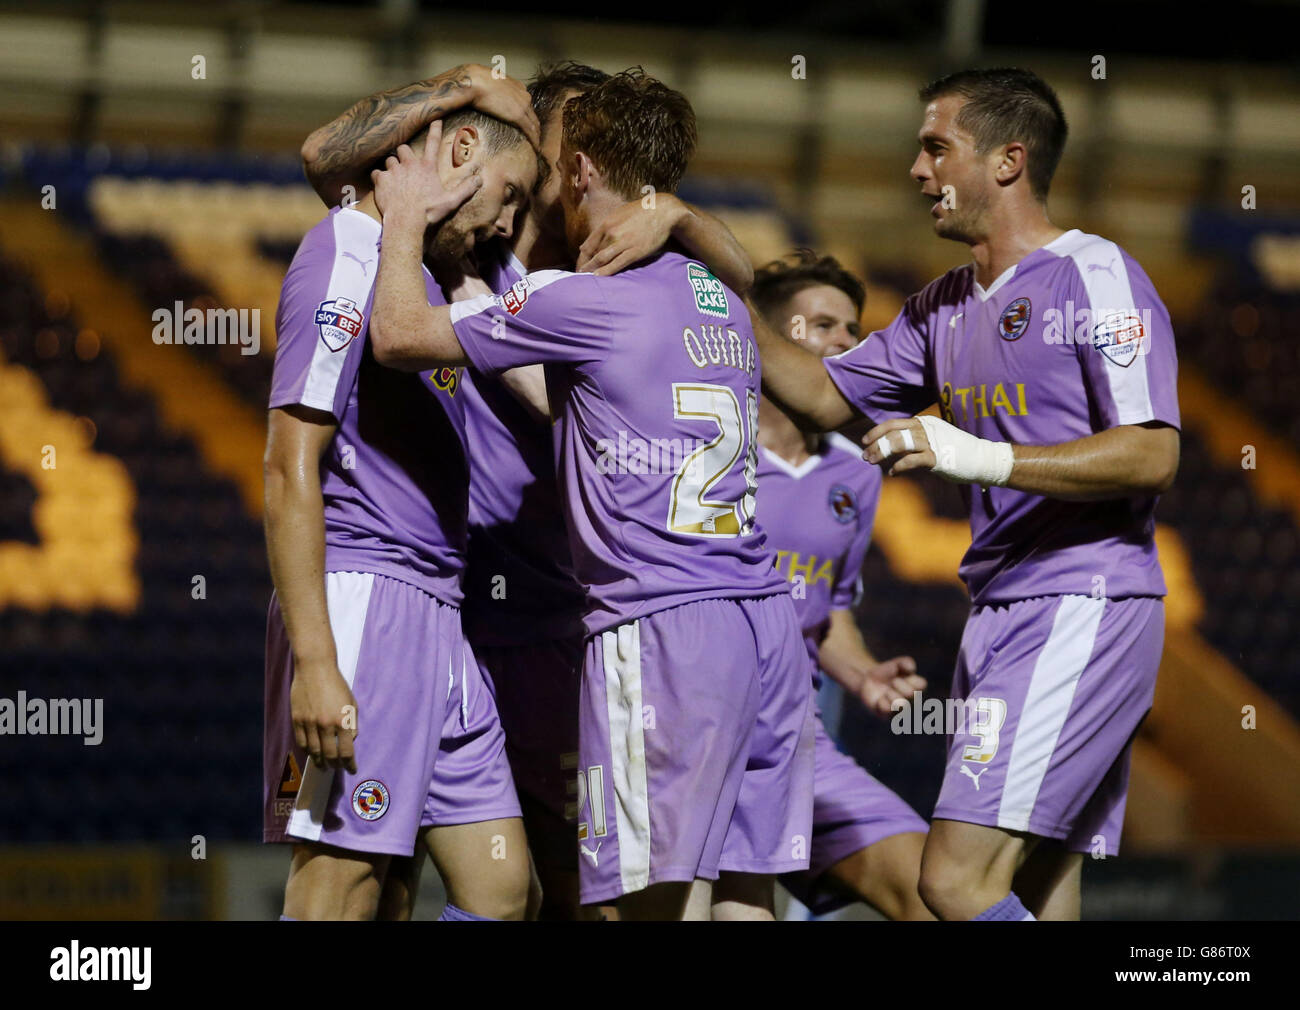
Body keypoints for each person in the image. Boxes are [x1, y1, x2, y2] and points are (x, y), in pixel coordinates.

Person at [300, 60, 755, 919]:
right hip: (439, 604)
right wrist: (460, 84)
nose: (569, 159)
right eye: (561, 134)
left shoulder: (614, 266)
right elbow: (325, 157)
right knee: (390, 878)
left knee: (577, 884)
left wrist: (683, 216)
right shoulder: (459, 237)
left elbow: (739, 282)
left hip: (555, 617)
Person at [749, 68, 1179, 921]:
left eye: (936, 148)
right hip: (1000, 612)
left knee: (947, 881)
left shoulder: (1096, 275)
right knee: (1030, 890)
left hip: (1080, 603)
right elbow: (829, 395)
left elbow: (1150, 454)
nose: (917, 170)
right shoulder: (940, 306)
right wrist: (709, 294)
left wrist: (980, 458)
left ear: (1008, 160)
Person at [263, 98, 541, 920]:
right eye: (513, 193)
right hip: (362, 603)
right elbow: (287, 465)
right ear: (460, 148)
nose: (511, 223)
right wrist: (317, 660)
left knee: (498, 886)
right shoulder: (350, 249)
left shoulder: (415, 277)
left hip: (437, 612)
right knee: (342, 884)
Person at [745, 250, 932, 921]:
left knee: (932, 890)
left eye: (853, 330)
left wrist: (863, 676)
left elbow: (830, 608)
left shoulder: (856, 473)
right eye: (823, 324)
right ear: (767, 337)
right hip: (695, 730)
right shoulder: (703, 448)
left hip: (797, 739)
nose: (845, 342)